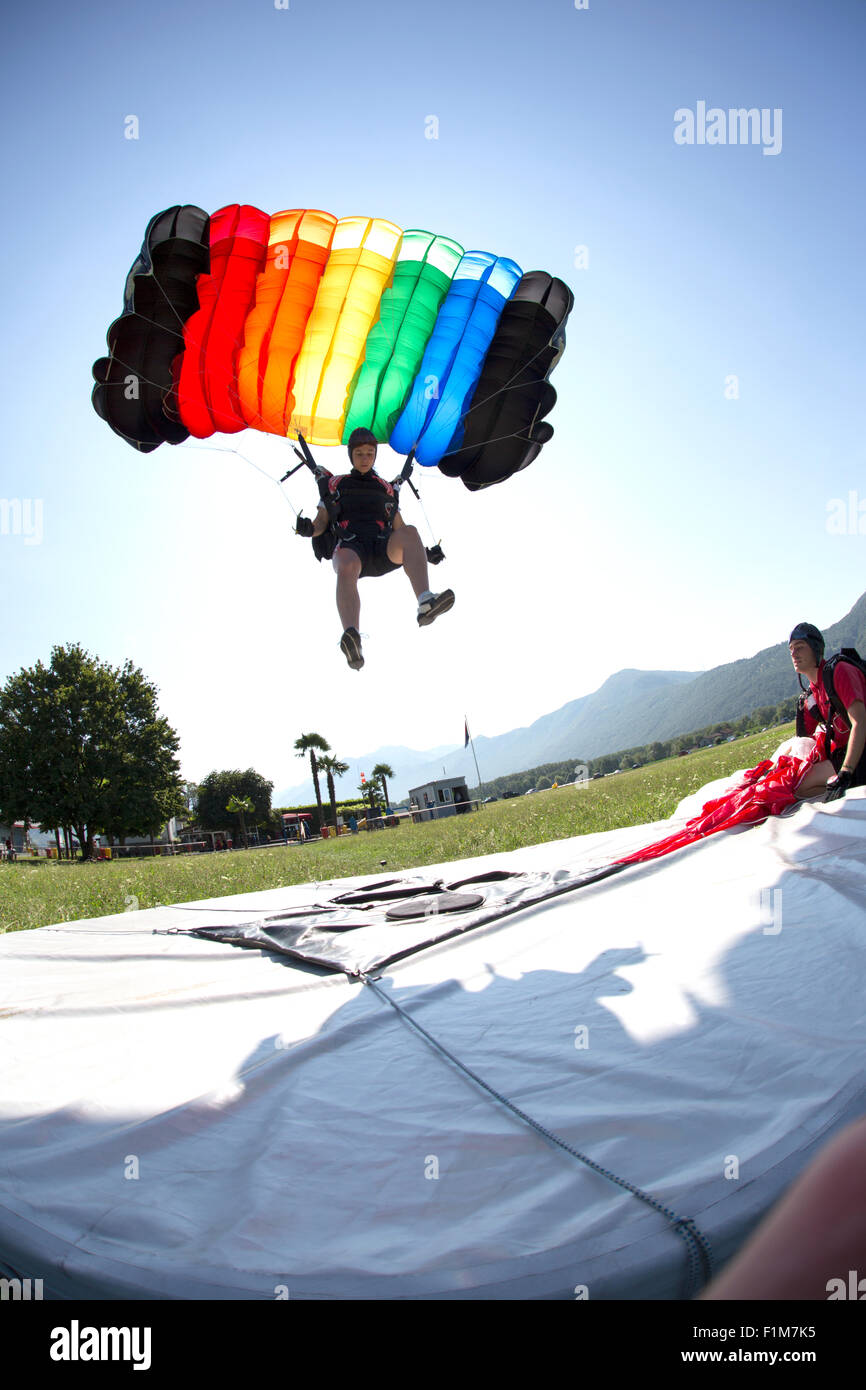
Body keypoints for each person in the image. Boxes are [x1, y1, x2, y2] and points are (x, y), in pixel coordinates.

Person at [295, 427, 454, 670]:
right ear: (351, 455)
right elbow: (321, 523)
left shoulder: (386, 488)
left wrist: (425, 553)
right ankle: (352, 636)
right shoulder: (335, 484)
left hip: (381, 547)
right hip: (350, 545)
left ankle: (425, 602)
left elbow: (400, 529)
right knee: (347, 564)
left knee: (410, 531)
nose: (365, 458)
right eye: (359, 454)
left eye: (370, 453)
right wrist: (308, 529)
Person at [788, 622, 866, 800]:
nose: (793, 653)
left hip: (860, 750)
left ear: (815, 649)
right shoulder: (810, 698)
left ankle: (850, 783)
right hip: (844, 754)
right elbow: (802, 741)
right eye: (791, 649)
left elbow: (860, 722)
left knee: (803, 785)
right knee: (798, 787)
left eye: (799, 647)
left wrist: (846, 771)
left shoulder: (840, 671)